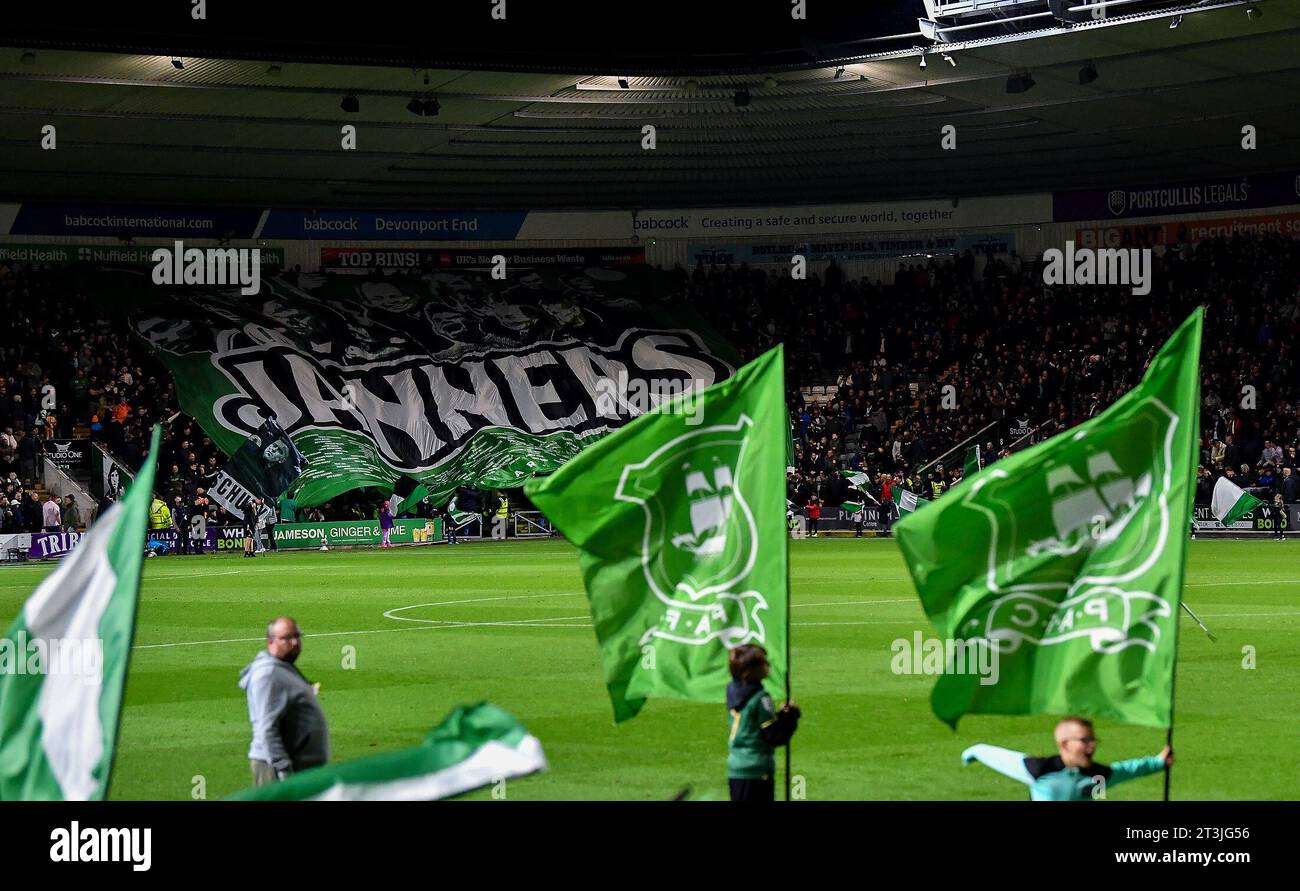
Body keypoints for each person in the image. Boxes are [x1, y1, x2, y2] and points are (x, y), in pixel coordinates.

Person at [962, 716, 1172, 801]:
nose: (1092, 745)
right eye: (1084, 740)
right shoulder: (1040, 769)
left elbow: (1127, 770)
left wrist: (1159, 763)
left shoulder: (1098, 775)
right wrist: (974, 751)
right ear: (1064, 744)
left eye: (1093, 739)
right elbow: (1001, 757)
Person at [238, 616, 330, 786]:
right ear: (271, 642)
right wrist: (284, 770)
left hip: (295, 767)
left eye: (297, 636)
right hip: (276, 769)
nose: (295, 642)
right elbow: (267, 729)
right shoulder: (269, 675)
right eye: (287, 638)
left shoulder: (283, 668)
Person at [726, 644, 800, 802]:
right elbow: (774, 736)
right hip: (756, 768)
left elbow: (754, 723)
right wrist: (791, 716)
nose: (768, 665)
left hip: (736, 766)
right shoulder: (761, 697)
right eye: (763, 663)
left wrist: (780, 715)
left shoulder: (733, 690)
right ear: (751, 670)